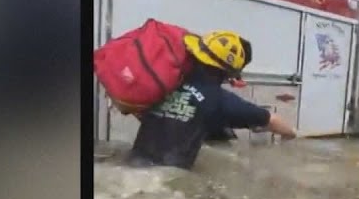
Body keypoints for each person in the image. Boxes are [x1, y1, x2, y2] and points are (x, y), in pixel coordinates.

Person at [128, 30, 298, 169]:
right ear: (229, 72)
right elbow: (273, 121)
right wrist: (291, 135)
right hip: (168, 180)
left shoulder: (164, 83)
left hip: (130, 167)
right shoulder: (219, 101)